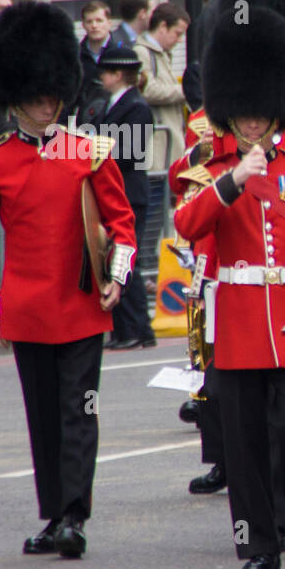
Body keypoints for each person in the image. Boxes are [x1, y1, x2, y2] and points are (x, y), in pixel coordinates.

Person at [0, 1, 137, 559]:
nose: (48, 104)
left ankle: (74, 518)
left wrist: (117, 279)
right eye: (37, 97)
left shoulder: (88, 153)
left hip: (82, 306)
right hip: (29, 310)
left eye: (53, 96)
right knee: (43, 418)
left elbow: (123, 225)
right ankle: (53, 513)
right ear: (18, 100)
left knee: (78, 412)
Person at [173, 4, 285, 569]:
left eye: (261, 116)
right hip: (240, 320)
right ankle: (259, 545)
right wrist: (233, 179)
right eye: (242, 115)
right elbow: (187, 224)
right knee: (243, 448)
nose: (251, 125)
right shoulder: (211, 168)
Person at [91, 45, 157, 351]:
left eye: (105, 71)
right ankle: (127, 329)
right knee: (115, 259)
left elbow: (133, 151)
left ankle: (136, 328)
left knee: (125, 259)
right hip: (114, 192)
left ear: (118, 74)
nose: (101, 76)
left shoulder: (136, 106)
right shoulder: (111, 103)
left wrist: (99, 150)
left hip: (130, 192)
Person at [134, 2, 190, 170]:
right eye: (177, 33)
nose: (179, 40)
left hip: (167, 142)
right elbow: (148, 90)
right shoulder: (142, 52)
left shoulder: (161, 54)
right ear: (163, 26)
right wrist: (185, 91)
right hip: (157, 146)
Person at [77, 0, 113, 114]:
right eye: (89, 21)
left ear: (109, 23)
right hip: (86, 119)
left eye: (99, 21)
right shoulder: (76, 56)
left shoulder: (121, 52)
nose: (94, 26)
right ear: (83, 25)